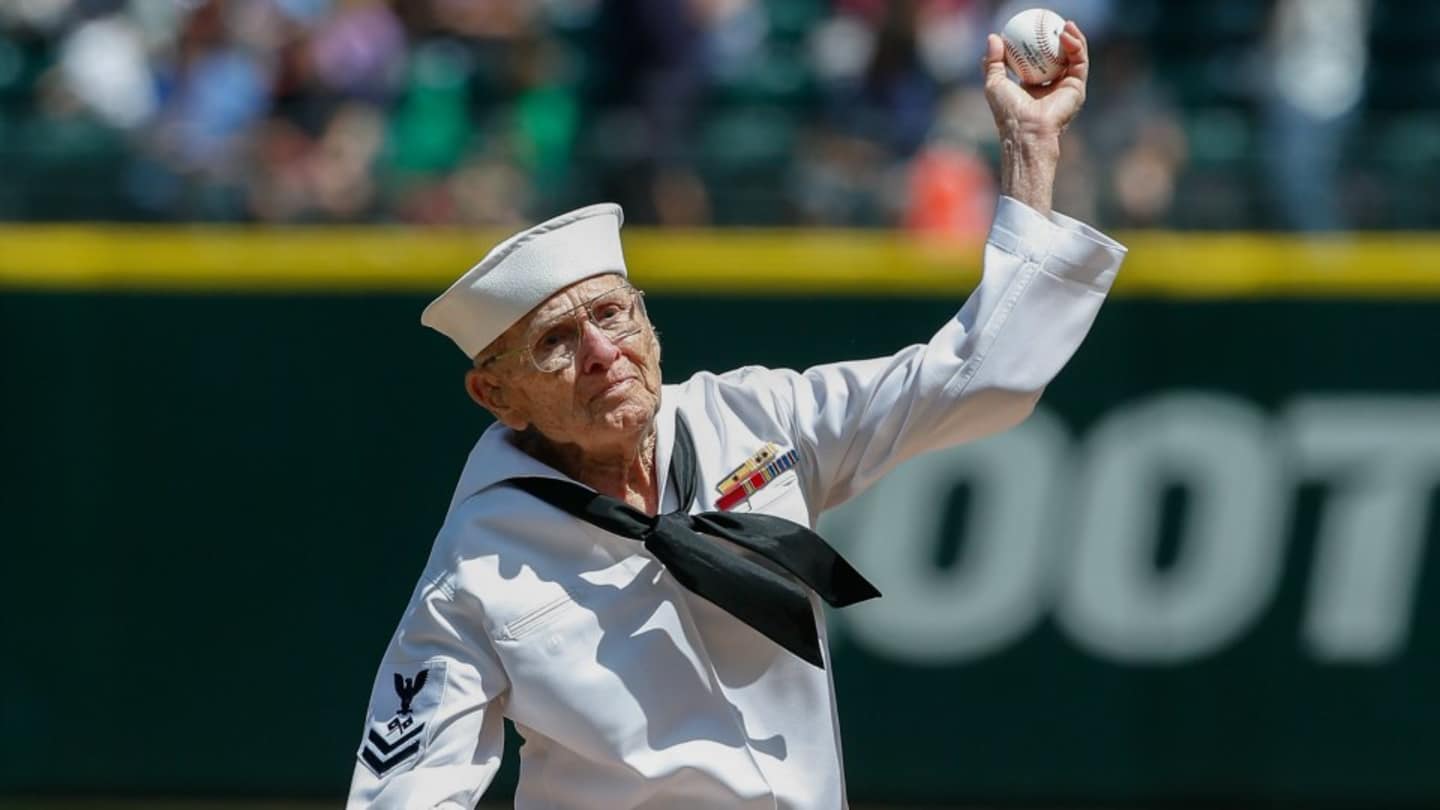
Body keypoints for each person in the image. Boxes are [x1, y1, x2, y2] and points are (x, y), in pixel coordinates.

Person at [347, 21, 1123, 810]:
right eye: (555, 342)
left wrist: (1030, 147)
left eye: (614, 315)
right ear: (497, 395)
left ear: (648, 324)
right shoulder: (473, 571)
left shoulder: (756, 416)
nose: (603, 354)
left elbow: (976, 380)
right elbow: (405, 794)